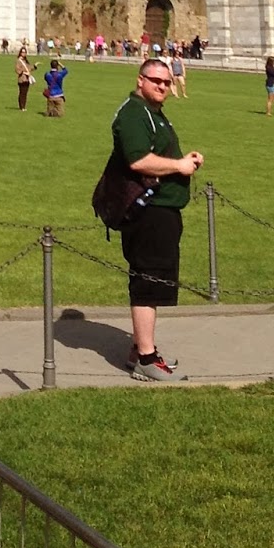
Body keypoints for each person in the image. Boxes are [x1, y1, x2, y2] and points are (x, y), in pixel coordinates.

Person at [111, 61, 204, 380]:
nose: (163, 86)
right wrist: (178, 167)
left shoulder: (152, 112)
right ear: (141, 80)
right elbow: (138, 160)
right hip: (148, 211)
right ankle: (146, 360)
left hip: (163, 210)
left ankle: (140, 348)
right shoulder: (134, 112)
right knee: (147, 283)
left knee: (154, 280)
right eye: (156, 80)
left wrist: (184, 161)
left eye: (166, 81)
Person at [14, 45, 36, 112]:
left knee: (25, 93)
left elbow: (29, 68)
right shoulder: (19, 61)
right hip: (22, 79)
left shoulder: (26, 61)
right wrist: (24, 72)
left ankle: (24, 106)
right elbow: (17, 70)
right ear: (20, 53)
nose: (24, 54)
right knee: (22, 93)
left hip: (27, 79)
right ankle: (21, 106)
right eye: (23, 52)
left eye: (25, 52)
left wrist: (34, 66)